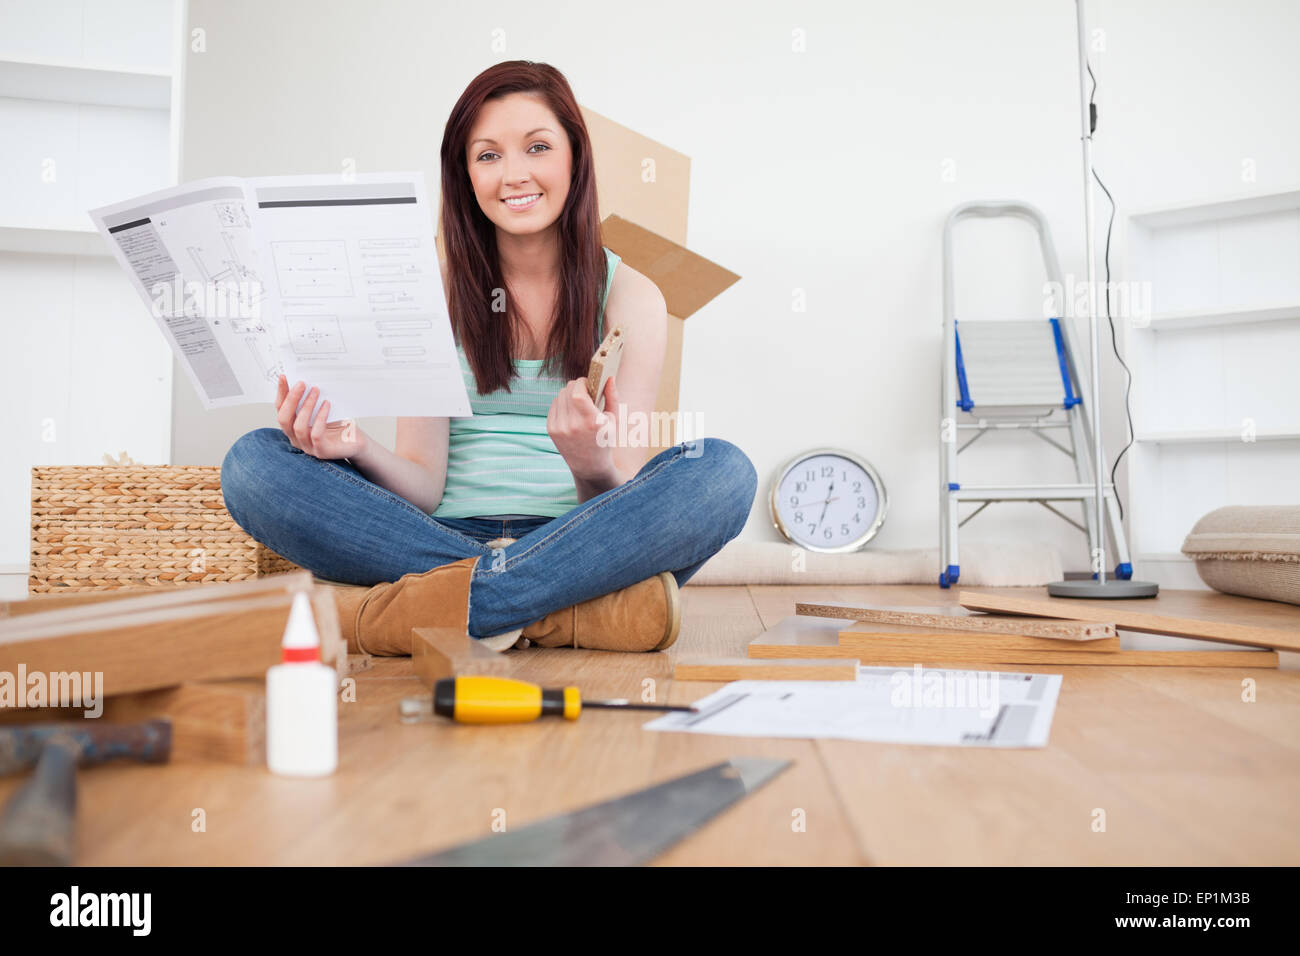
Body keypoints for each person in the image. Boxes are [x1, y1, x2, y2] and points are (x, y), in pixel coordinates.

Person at [221, 60, 756, 656]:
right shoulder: (430, 288)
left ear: (574, 158)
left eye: (537, 147)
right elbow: (423, 484)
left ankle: (439, 607)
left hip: (579, 541)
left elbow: (621, 498)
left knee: (724, 472)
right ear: (466, 174)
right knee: (253, 464)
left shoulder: (632, 298)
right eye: (488, 155)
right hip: (431, 536)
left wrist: (589, 463)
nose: (514, 174)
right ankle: (559, 613)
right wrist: (356, 448)